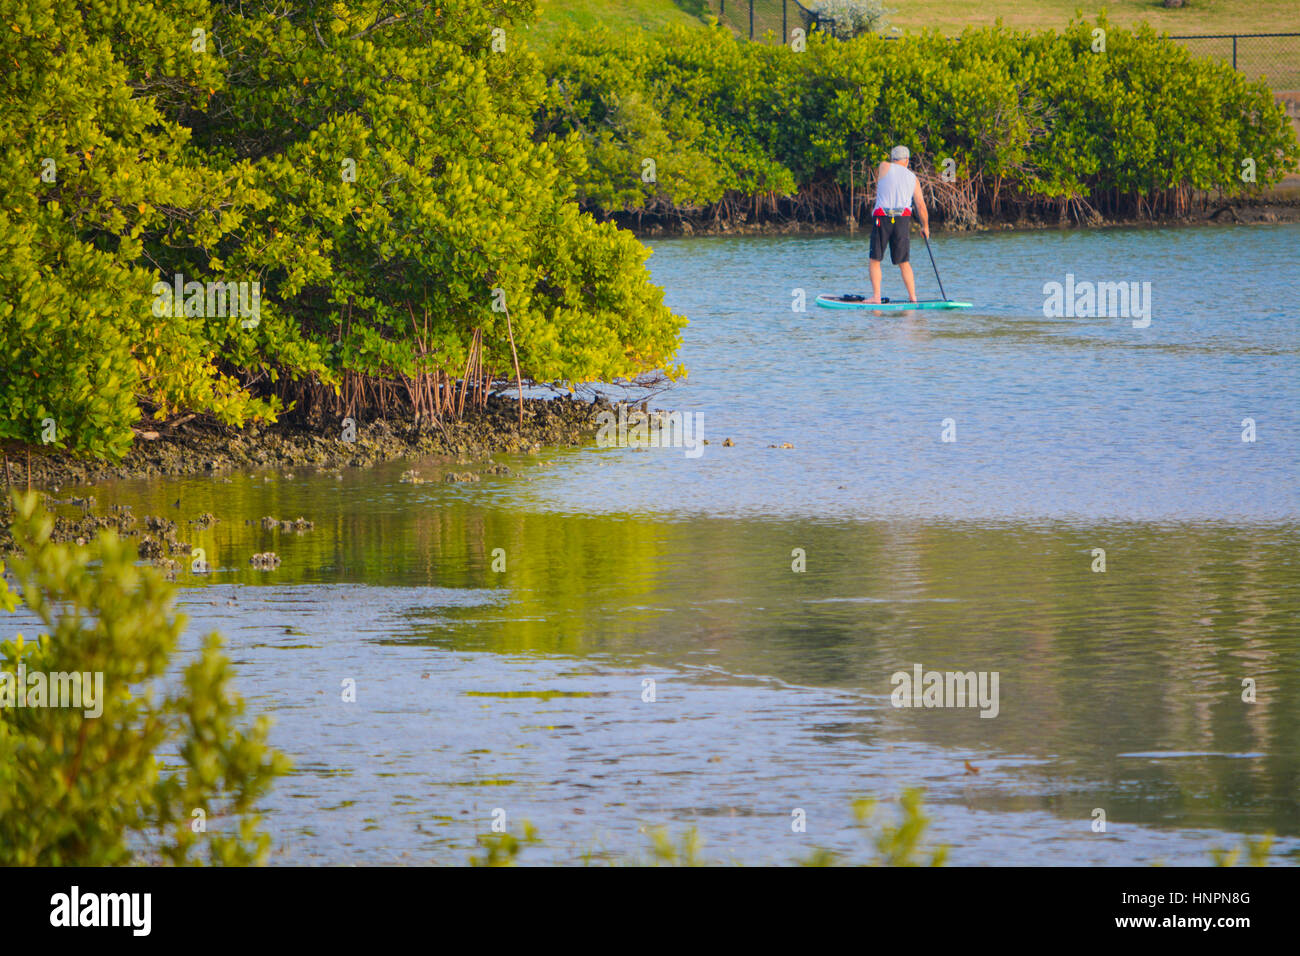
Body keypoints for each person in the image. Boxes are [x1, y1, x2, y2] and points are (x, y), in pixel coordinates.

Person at [866, 145, 930, 304]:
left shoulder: (884, 166)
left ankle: (876, 297)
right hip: (902, 220)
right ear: (907, 160)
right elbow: (921, 206)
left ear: (892, 158)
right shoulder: (913, 178)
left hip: (883, 217)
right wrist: (925, 227)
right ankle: (913, 297)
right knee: (904, 262)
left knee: (875, 259)